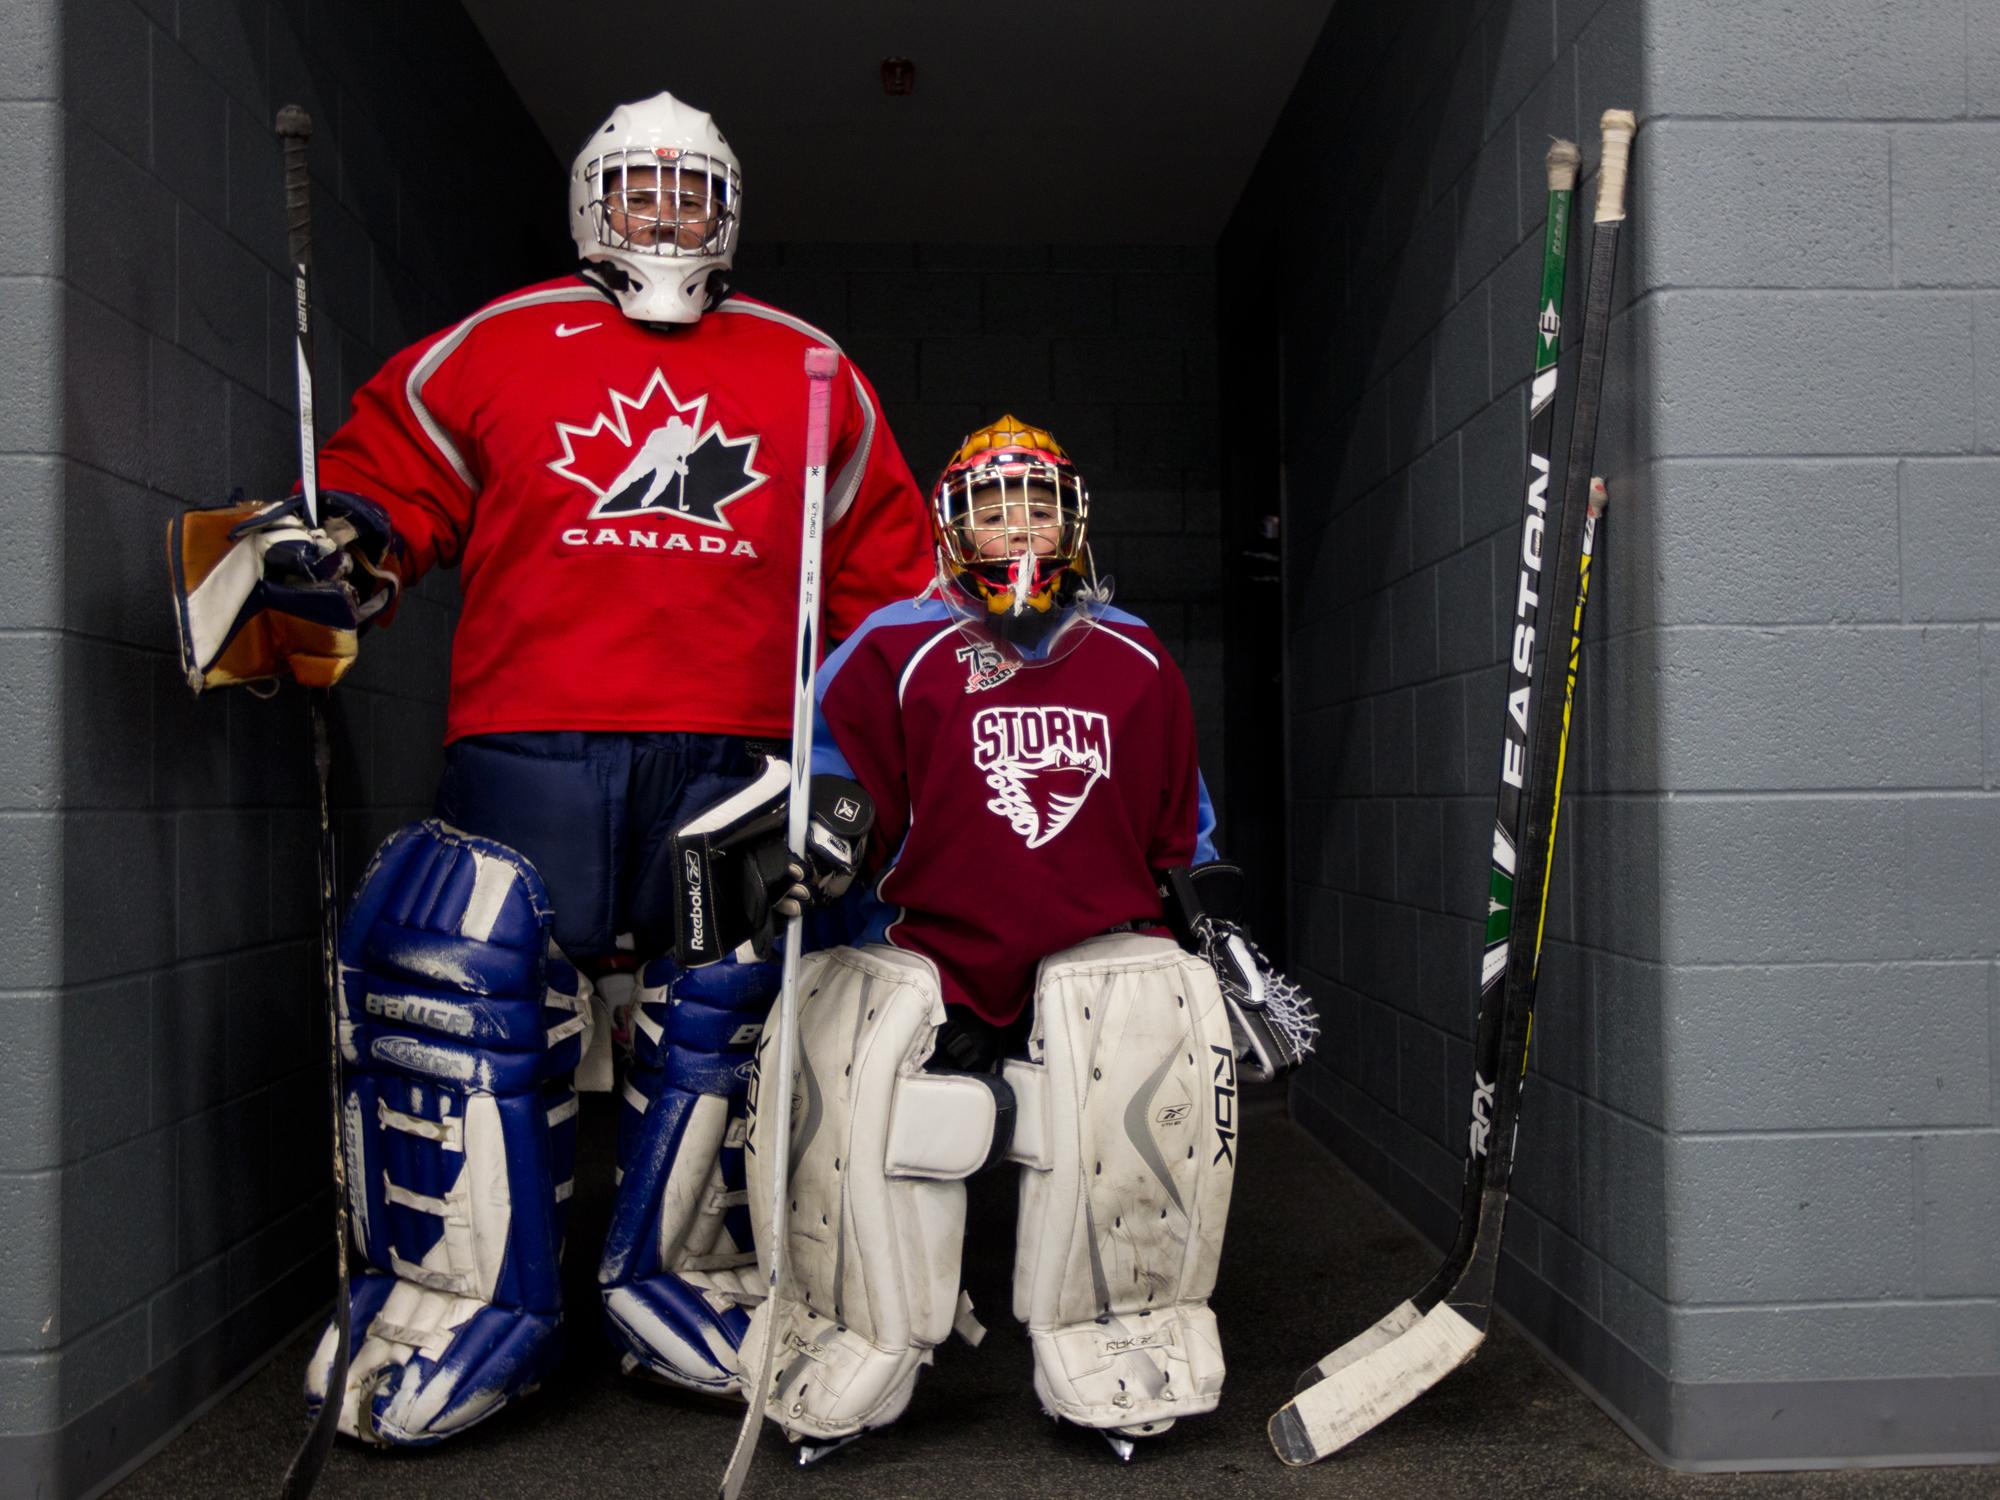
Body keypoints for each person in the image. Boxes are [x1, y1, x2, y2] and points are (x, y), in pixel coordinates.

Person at [168, 91, 934, 1447]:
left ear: (728, 212)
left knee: (735, 1011)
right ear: (595, 205)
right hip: (529, 736)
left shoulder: (813, 365)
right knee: (453, 981)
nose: (665, 215)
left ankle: (691, 1276)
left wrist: (867, 756)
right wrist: (347, 544)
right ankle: (463, 1300)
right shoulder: (499, 345)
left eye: (690, 192)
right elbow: (397, 480)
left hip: (738, 748)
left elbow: (891, 582)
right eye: (640, 189)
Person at [712, 416, 1306, 1460]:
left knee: (1145, 1035)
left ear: (1072, 519)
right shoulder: (891, 648)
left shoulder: (1133, 654)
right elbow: (821, 799)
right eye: (990, 511)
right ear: (952, 532)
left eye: (1034, 505)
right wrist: (804, 863)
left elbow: (1183, 824)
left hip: (1089, 947)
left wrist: (1212, 938)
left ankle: (1123, 1329)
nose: (1015, 528)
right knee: (846, 1060)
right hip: (925, 945)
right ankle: (850, 1330)